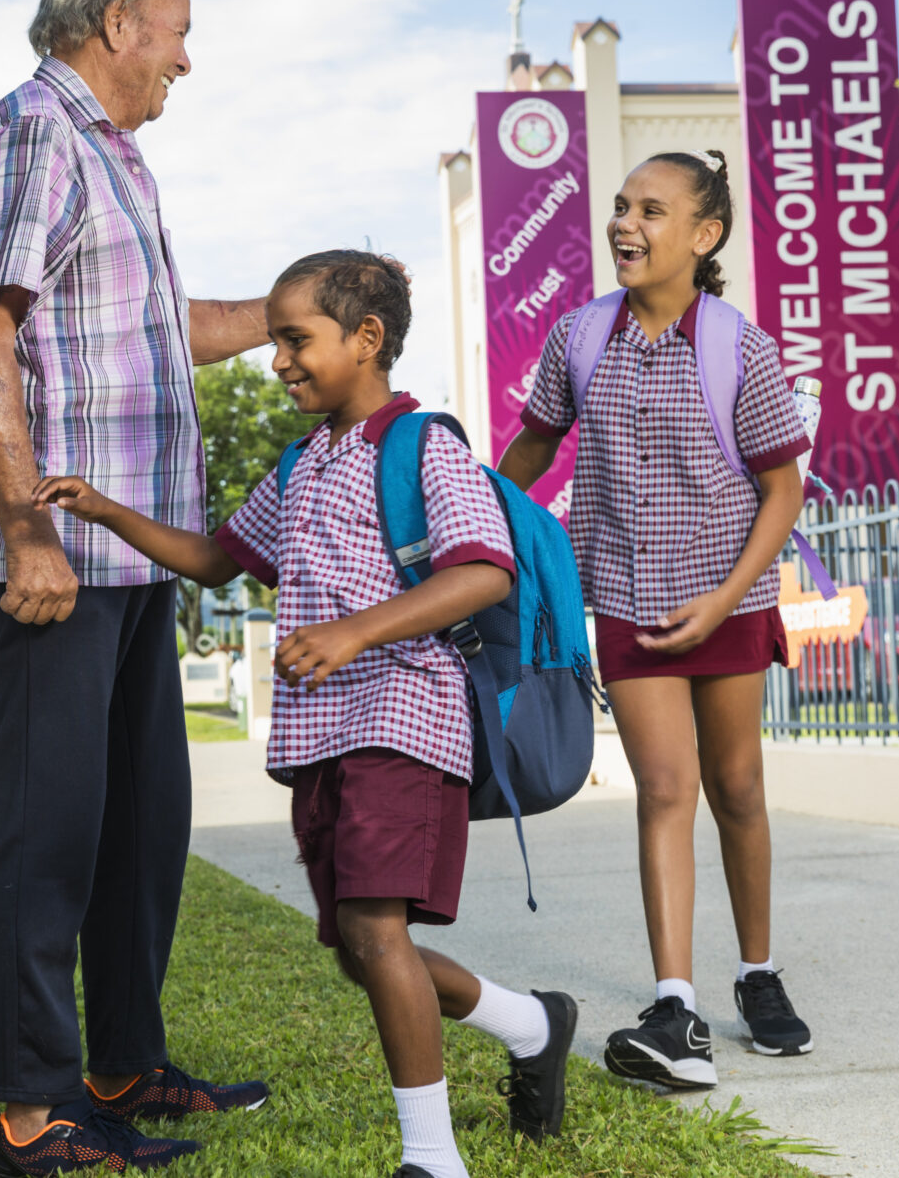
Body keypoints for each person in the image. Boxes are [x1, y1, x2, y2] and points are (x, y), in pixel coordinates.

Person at [41, 250, 579, 1177]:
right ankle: (533, 1023)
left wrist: (351, 632)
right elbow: (217, 560)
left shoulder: (425, 445)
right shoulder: (301, 464)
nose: (278, 359)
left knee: (374, 931)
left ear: (366, 338)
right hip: (323, 737)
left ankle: (433, 1158)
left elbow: (482, 571)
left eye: (296, 339)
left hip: (406, 721)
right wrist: (106, 510)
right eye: (277, 341)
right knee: (360, 950)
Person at [0, 0, 274, 1174]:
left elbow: (159, 327)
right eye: (177, 32)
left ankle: (122, 1063)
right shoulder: (34, 133)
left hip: (132, 564)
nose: (185, 58)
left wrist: (304, 306)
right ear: (117, 23)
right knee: (51, 833)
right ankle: (33, 1111)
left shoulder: (110, 156)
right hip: (60, 562)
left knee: (140, 827)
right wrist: (29, 533)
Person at [496, 151, 814, 1089]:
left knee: (738, 787)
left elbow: (783, 488)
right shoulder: (579, 336)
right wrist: (478, 515)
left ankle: (758, 973)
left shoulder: (741, 347)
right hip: (628, 600)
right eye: (621, 206)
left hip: (729, 596)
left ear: (704, 235)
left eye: (652, 210)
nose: (625, 224)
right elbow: (536, 445)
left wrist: (724, 596)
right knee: (665, 789)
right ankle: (675, 1003)